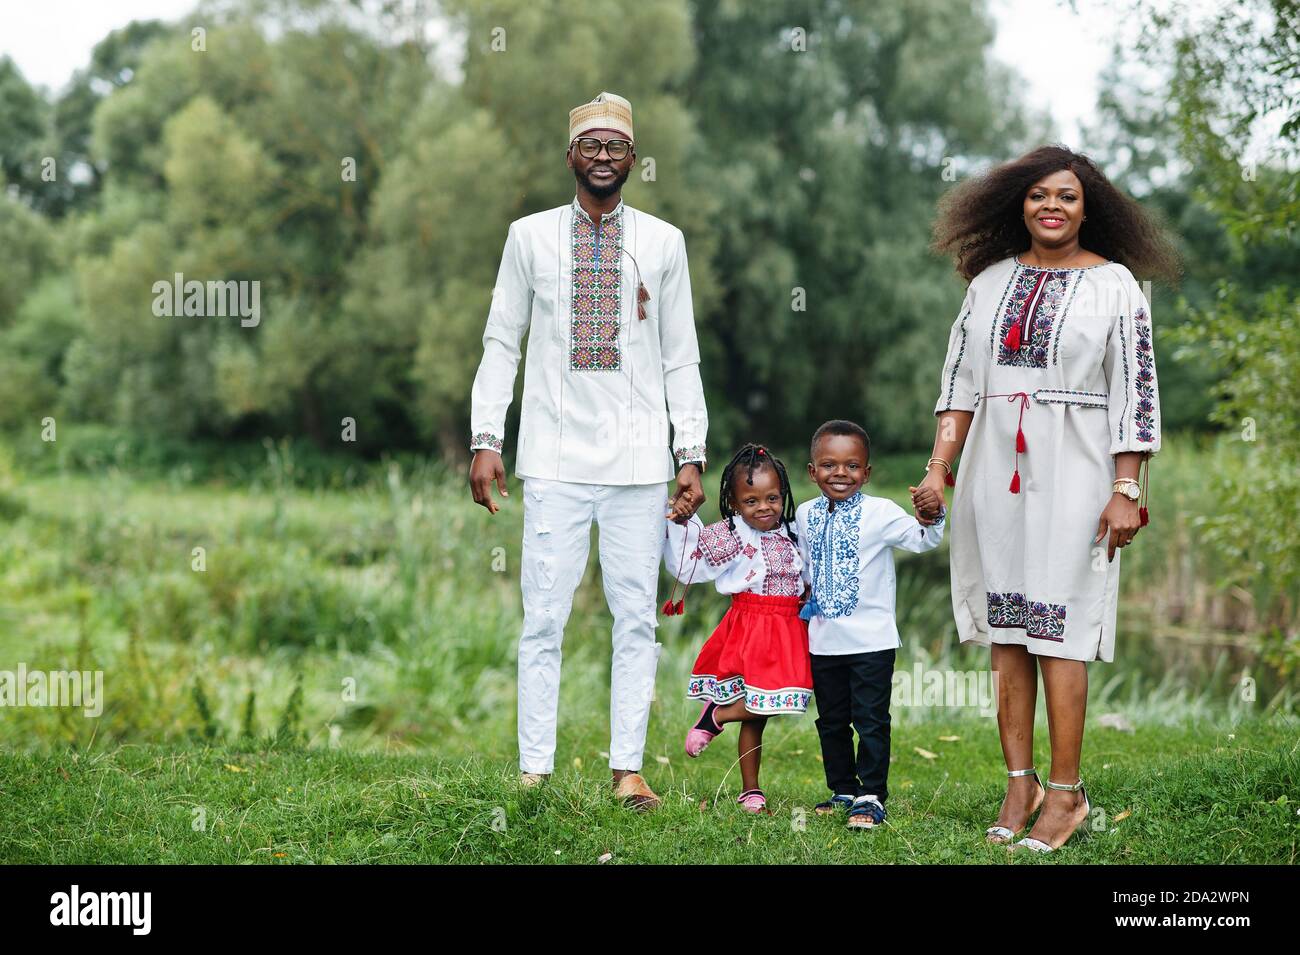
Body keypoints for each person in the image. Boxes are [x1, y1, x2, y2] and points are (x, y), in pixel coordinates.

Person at [920, 144, 1180, 851]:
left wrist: (1127, 486)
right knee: (1008, 631)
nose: (1052, 206)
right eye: (1038, 196)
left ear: (1088, 206)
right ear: (1020, 205)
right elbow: (959, 387)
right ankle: (1020, 780)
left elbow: (1137, 393)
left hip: (1079, 467)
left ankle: (1066, 794)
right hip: (991, 466)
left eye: (1066, 195)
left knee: (1059, 631)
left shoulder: (1117, 285)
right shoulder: (990, 282)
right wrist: (940, 468)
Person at [467, 92, 709, 810]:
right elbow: (500, 339)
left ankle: (627, 769)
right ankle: (534, 766)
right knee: (544, 616)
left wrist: (689, 450)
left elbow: (681, 357)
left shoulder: (664, 243)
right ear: (570, 155)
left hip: (639, 464)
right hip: (552, 456)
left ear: (634, 159)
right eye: (591, 145)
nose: (604, 157)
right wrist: (487, 437)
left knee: (635, 617)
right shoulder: (529, 237)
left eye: (617, 146)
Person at [796, 420, 946, 829]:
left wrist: (931, 515)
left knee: (871, 720)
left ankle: (871, 795)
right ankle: (843, 789)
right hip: (823, 641)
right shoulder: (804, 514)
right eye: (828, 464)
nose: (840, 473)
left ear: (867, 472)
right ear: (812, 471)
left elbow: (923, 540)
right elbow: (805, 568)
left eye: (851, 465)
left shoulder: (880, 512)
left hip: (871, 643)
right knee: (831, 721)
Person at [664, 444, 811, 814]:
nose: (764, 507)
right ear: (733, 501)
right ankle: (749, 785)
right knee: (760, 707)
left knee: (766, 707)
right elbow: (691, 562)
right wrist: (681, 521)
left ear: (784, 495)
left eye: (772, 497)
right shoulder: (734, 534)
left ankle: (719, 717)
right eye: (751, 501)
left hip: (789, 626)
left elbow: (807, 574)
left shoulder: (795, 532)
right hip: (751, 626)